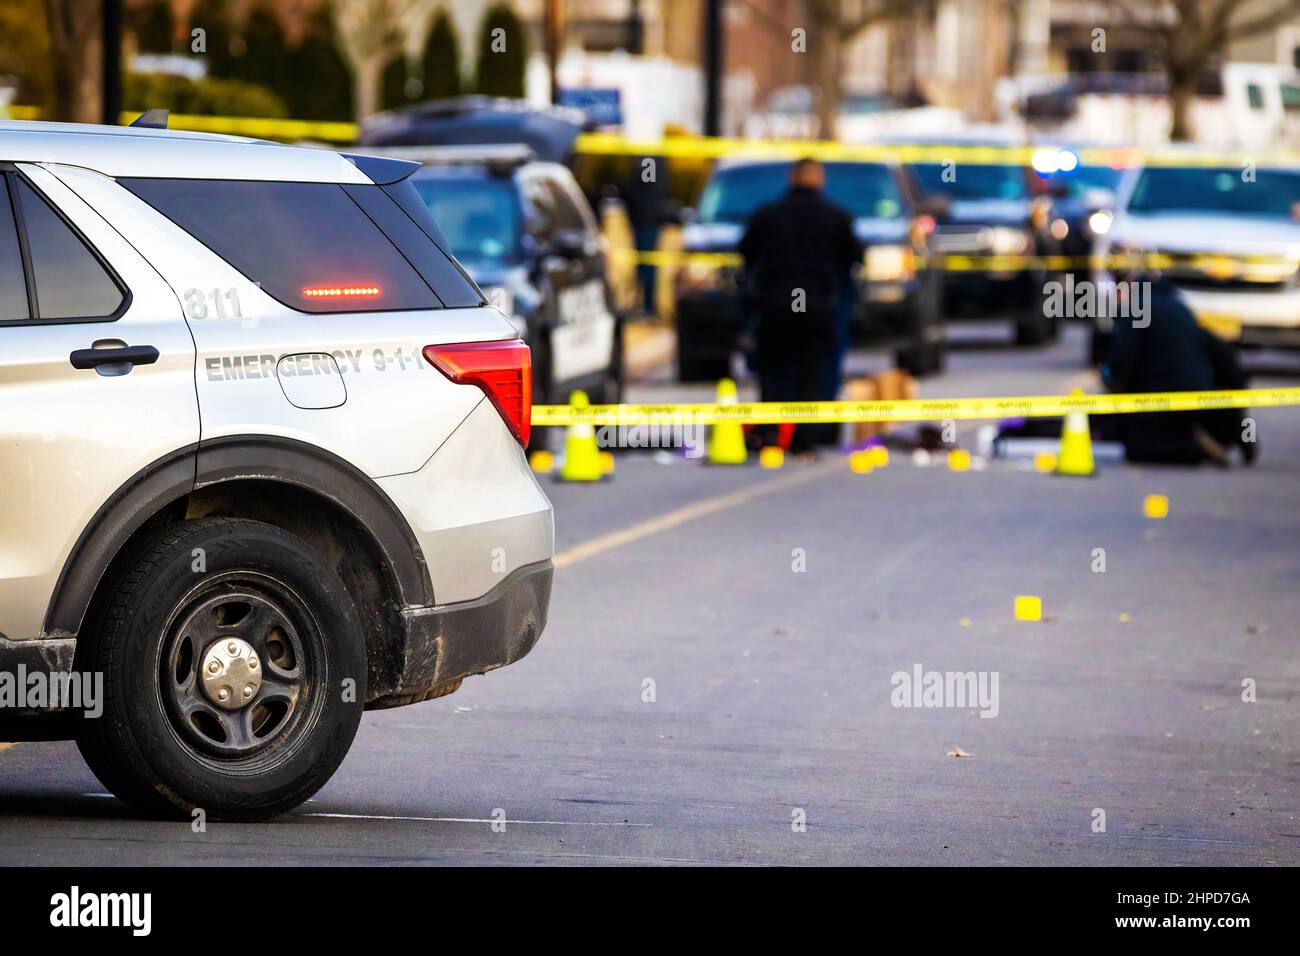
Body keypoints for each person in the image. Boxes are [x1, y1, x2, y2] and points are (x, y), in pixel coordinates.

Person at [738, 158, 862, 457]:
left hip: (776, 306)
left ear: (791, 178)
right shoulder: (836, 217)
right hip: (817, 306)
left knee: (773, 373)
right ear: (820, 179)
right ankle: (804, 441)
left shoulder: (767, 216)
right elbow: (854, 257)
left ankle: (770, 435)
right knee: (813, 374)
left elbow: (746, 253)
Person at [1105, 272, 1255, 467]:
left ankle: (1192, 449)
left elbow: (1121, 362)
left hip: (1162, 398)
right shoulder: (1182, 309)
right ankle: (1238, 437)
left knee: (1137, 447)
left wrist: (1113, 384)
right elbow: (1221, 352)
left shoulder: (1137, 308)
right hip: (1203, 394)